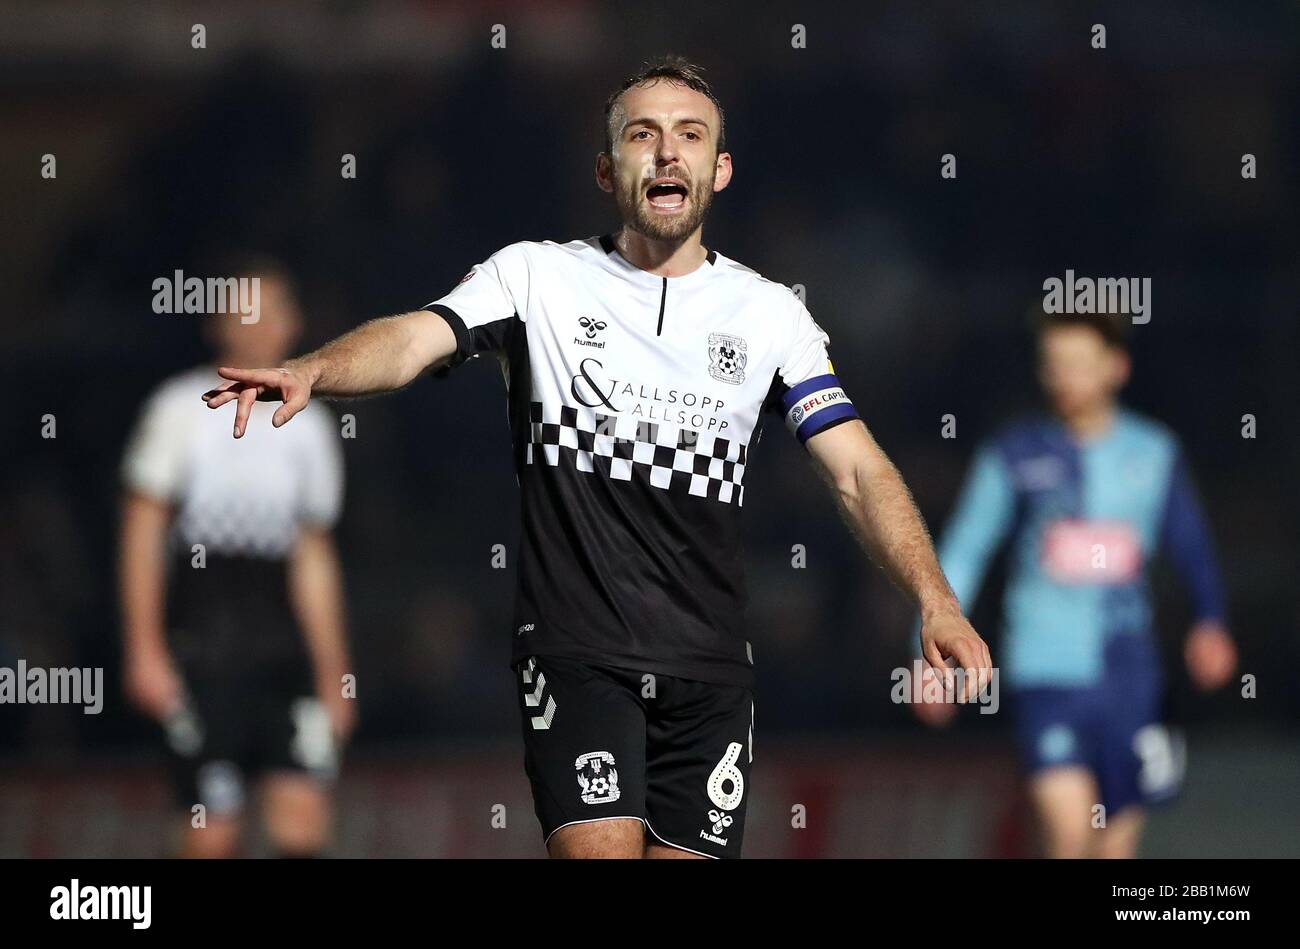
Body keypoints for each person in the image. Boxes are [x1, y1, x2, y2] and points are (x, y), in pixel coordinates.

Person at [203, 57, 989, 859]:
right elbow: (413, 339)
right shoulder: (536, 277)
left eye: (689, 136)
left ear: (719, 170)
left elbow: (856, 468)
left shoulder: (771, 315)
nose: (667, 153)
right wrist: (315, 369)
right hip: (579, 654)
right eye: (642, 136)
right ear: (608, 169)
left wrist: (935, 597)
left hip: (710, 670)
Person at [915, 310, 1237, 858]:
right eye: (1055, 364)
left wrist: (1210, 622)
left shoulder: (1154, 452)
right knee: (1067, 835)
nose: (1066, 378)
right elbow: (966, 550)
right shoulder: (1012, 456)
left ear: (1117, 367)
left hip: (1130, 675)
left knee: (1115, 848)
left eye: (1080, 365)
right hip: (1047, 670)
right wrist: (926, 652)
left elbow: (1192, 549)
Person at [120, 260, 353, 857]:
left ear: (294, 321)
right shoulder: (177, 408)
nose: (259, 325)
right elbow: (143, 531)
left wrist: (334, 675)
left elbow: (312, 556)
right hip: (202, 650)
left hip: (282, 654)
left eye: (273, 309)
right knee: (210, 831)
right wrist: (144, 649)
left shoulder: (313, 424)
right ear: (217, 322)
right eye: (244, 309)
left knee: (301, 822)